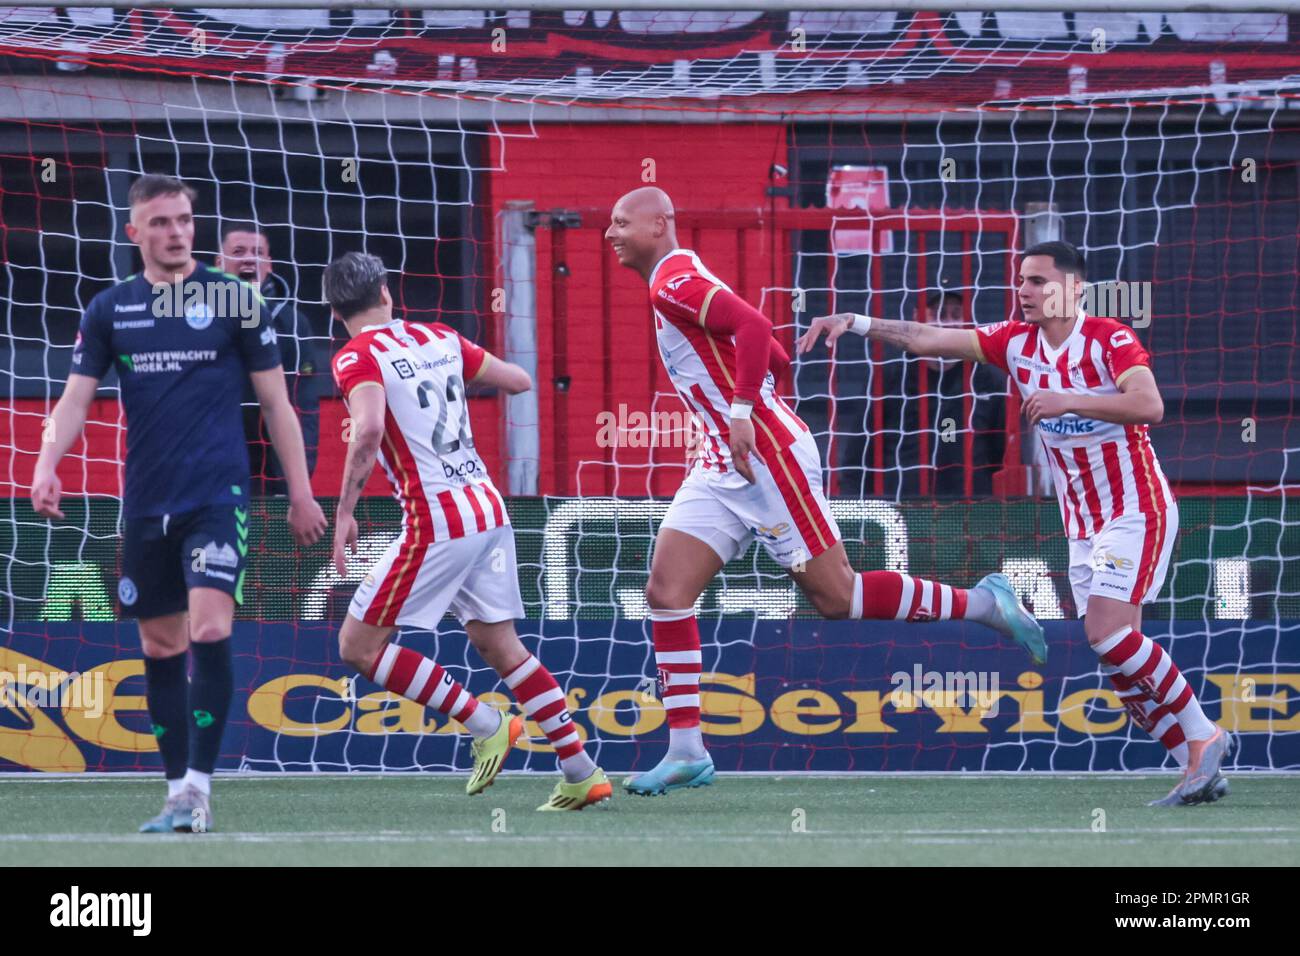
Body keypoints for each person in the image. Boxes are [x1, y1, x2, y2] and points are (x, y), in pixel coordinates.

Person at [605, 186, 1046, 796]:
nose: (611, 234)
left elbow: (755, 326)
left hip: (765, 455)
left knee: (837, 598)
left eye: (622, 222)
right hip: (723, 460)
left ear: (659, 224)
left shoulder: (671, 281)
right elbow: (774, 354)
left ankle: (984, 604)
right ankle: (686, 749)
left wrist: (741, 410)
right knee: (666, 589)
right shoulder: (678, 278)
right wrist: (749, 397)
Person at [800, 240, 1230, 806]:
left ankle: (1205, 738)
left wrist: (1069, 401)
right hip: (1082, 524)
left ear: (1074, 289)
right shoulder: (1014, 342)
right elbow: (928, 338)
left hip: (1136, 508)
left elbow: (1149, 406)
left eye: (1038, 281)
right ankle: (1195, 768)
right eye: (1021, 280)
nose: (1024, 290)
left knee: (1108, 634)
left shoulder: (1108, 338)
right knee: (1113, 654)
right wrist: (855, 321)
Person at [30, 174, 327, 832]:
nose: (175, 232)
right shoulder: (110, 309)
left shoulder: (235, 301)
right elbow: (75, 399)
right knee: (161, 645)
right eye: (160, 222)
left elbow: (277, 402)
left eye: (185, 221)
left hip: (217, 495)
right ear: (135, 232)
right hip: (144, 500)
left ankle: (199, 788)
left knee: (212, 627)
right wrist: (47, 463)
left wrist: (300, 490)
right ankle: (174, 794)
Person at [325, 252, 612, 810]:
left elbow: (368, 430)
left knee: (357, 646)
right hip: (486, 507)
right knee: (500, 645)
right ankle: (581, 770)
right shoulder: (440, 336)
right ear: (386, 293)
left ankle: (486, 724)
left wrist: (344, 513)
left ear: (336, 311)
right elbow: (521, 381)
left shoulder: (355, 357)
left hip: (437, 521)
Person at [218, 222, 323, 496]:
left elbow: (304, 407)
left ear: (269, 264)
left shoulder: (292, 323)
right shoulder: (196, 318)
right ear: (219, 262)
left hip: (271, 476)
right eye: (238, 251)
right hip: (212, 471)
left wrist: (293, 483)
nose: (249, 258)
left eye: (258, 252)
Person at [874, 289, 1006, 498]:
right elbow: (862, 451)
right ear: (917, 318)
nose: (948, 323)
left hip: (972, 504)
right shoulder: (892, 376)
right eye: (939, 314)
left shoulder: (987, 378)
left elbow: (1002, 451)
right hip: (903, 504)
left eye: (956, 315)